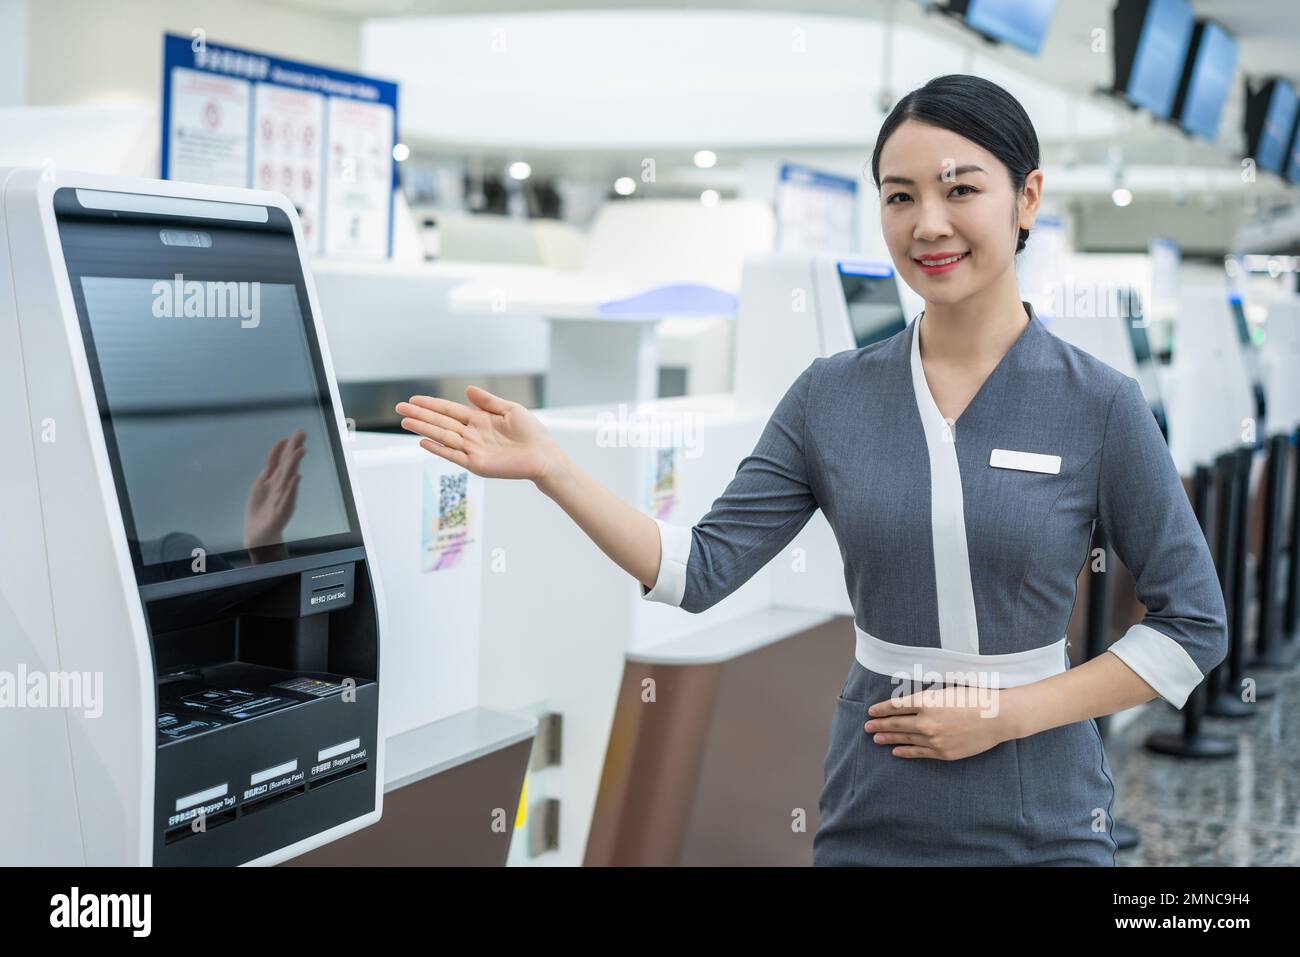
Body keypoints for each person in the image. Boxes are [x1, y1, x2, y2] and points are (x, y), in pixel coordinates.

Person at [395, 74, 1229, 866]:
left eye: (960, 189)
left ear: (1028, 198)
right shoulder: (833, 396)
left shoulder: (1099, 404)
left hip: (1044, 810)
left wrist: (1005, 716)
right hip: (875, 805)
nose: (927, 223)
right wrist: (554, 469)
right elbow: (701, 568)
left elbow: (1194, 624)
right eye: (900, 197)